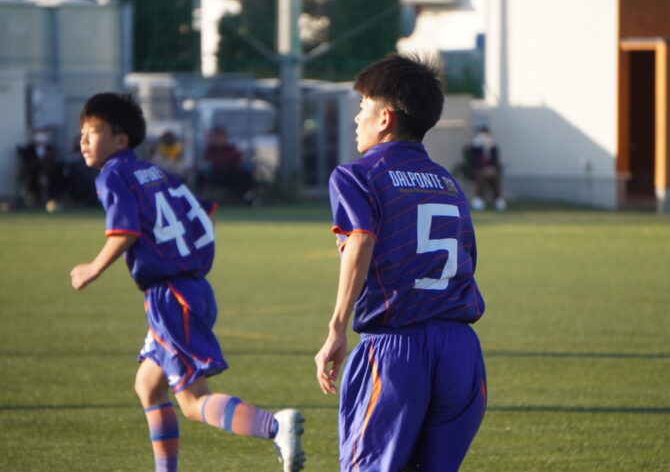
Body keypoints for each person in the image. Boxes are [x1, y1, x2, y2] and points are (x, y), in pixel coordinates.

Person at [69, 93, 305, 472]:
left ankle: (275, 426)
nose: (82, 141)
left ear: (120, 139)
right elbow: (205, 213)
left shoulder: (112, 174)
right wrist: (187, 260)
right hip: (191, 289)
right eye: (81, 133)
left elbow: (124, 231)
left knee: (194, 402)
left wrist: (92, 269)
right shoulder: (156, 172)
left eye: (92, 132)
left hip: (171, 297)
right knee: (148, 384)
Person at [314, 54, 487, 472]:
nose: (357, 118)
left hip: (397, 350)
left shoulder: (356, 175)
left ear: (385, 117)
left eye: (362, 107)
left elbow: (361, 238)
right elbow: (468, 259)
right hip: (461, 352)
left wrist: (337, 328)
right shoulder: (449, 183)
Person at [16, 125, 65, 211]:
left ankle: (53, 198)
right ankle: (34, 198)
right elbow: (28, 163)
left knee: (58, 174)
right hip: (33, 173)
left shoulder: (50, 148)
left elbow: (54, 161)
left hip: (50, 173)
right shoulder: (29, 149)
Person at [466, 126, 506, 211]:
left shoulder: (493, 148)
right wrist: (484, 169)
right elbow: (472, 162)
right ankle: (479, 198)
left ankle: (498, 198)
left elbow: (495, 161)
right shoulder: (473, 148)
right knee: (481, 175)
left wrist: (491, 168)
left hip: (491, 170)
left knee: (496, 175)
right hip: (477, 170)